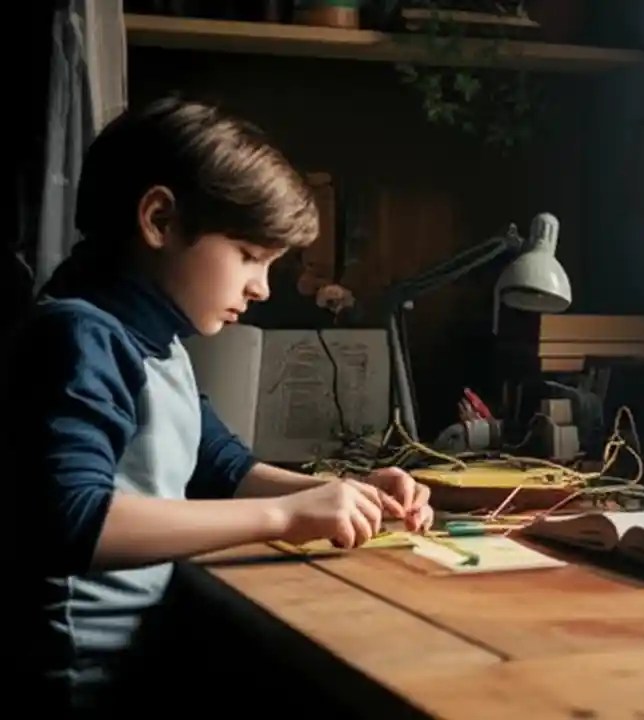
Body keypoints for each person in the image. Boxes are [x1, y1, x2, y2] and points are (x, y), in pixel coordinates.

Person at [3, 97, 434, 716]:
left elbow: (225, 468)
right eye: (250, 257)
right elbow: (74, 522)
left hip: (128, 666)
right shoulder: (80, 337)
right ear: (159, 219)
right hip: (75, 683)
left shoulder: (158, 345)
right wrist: (288, 516)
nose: (260, 287)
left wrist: (349, 494)